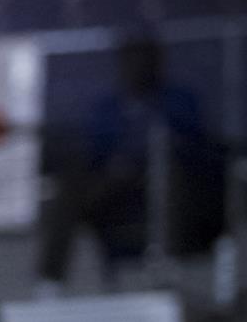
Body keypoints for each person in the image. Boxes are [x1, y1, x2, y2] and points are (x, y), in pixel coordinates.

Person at [38, 36, 220, 290]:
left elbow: (195, 146)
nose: (137, 67)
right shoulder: (108, 108)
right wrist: (112, 169)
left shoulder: (179, 101)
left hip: (163, 178)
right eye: (130, 61)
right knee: (70, 189)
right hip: (115, 187)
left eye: (144, 60)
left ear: (157, 64)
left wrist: (144, 161)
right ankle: (49, 281)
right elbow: (94, 152)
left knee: (168, 175)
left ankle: (168, 264)